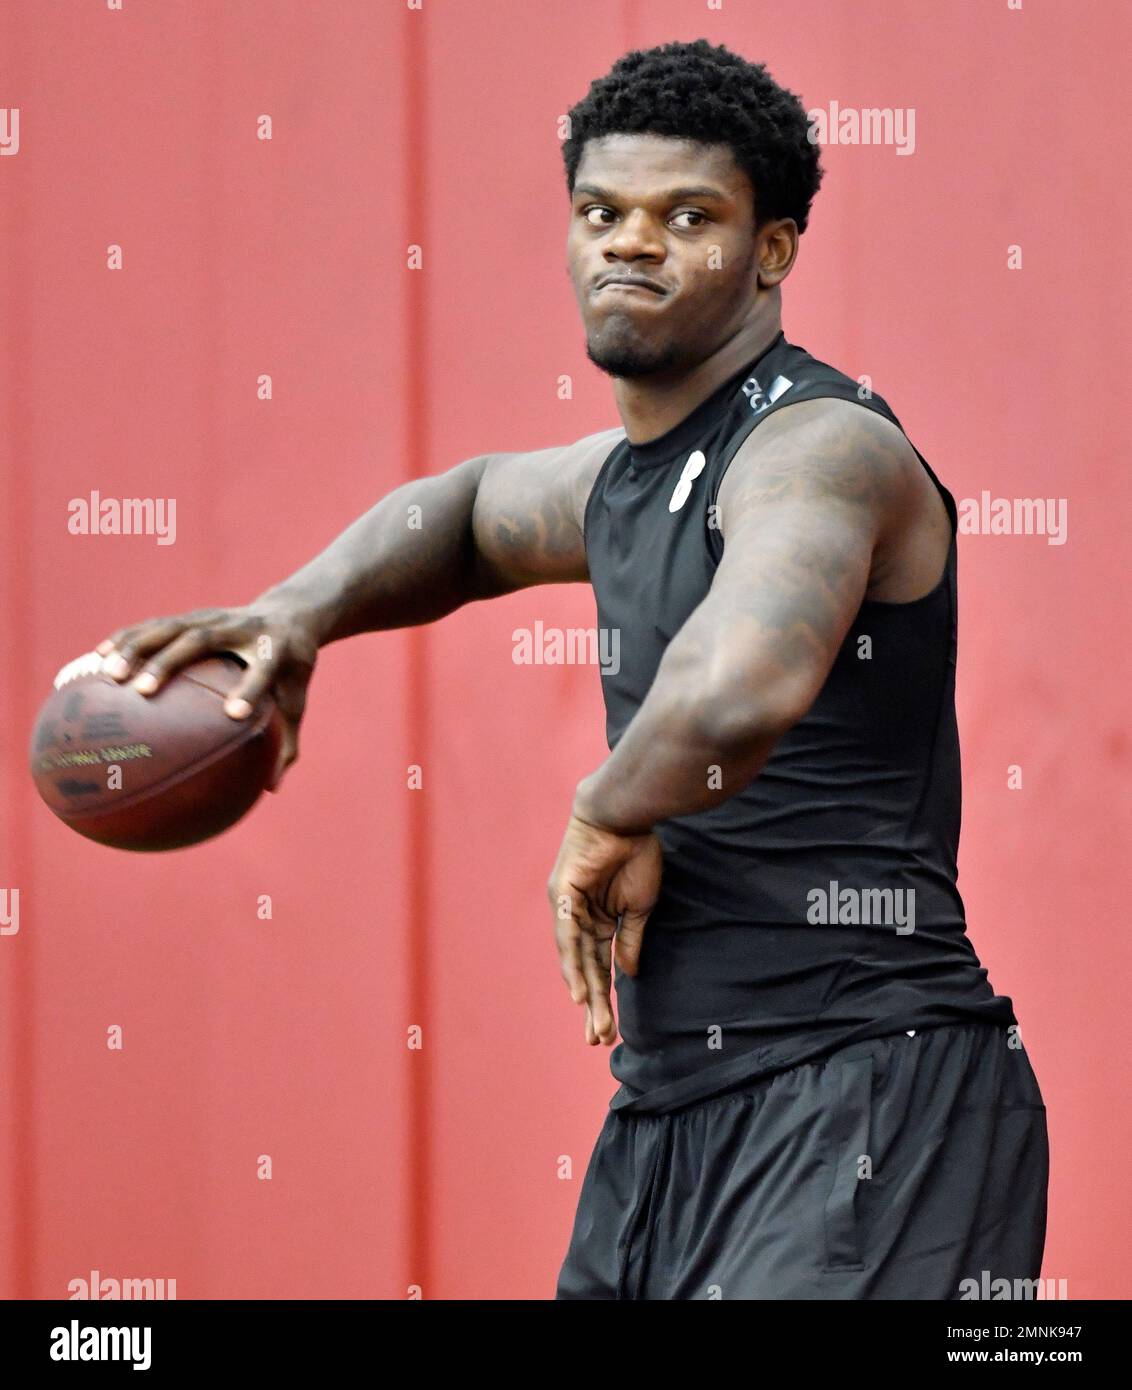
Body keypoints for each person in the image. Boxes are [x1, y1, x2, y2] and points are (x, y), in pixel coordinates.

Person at [93, 40, 1048, 1300]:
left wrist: (612, 805)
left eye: (685, 217)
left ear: (772, 249)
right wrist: (291, 615)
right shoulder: (617, 480)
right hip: (671, 1118)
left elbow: (740, 679)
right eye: (600, 213)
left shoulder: (820, 452)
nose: (629, 244)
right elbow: (471, 509)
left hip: (870, 1095)